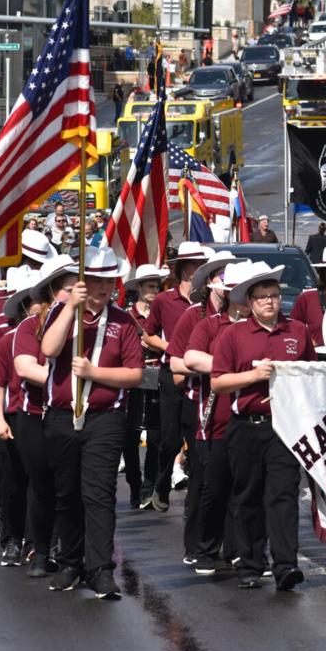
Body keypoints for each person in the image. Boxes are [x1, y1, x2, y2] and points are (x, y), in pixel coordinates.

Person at [39, 246, 144, 598]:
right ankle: (70, 562)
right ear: (83, 281)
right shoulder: (61, 311)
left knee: (99, 493)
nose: (102, 288)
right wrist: (70, 306)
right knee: (67, 493)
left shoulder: (123, 321)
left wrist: (94, 373)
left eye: (107, 281)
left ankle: (100, 568)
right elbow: (49, 350)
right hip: (62, 415)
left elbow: (134, 374)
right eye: (95, 280)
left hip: (105, 417)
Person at [211, 262, 315, 589]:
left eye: (274, 295)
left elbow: (312, 375)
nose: (270, 302)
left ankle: (286, 566)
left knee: (283, 495)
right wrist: (253, 376)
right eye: (262, 297)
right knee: (248, 495)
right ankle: (251, 565)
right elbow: (218, 383)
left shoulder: (298, 331)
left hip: (284, 427)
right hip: (245, 425)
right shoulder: (233, 334)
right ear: (250, 302)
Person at [183, 261, 256, 575]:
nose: (242, 300)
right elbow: (190, 357)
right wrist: (230, 366)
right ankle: (205, 551)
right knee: (213, 491)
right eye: (236, 294)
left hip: (252, 420)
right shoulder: (210, 325)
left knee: (248, 491)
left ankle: (242, 550)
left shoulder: (261, 327)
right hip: (215, 419)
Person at [168, 251, 239, 565]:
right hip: (199, 407)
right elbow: (176, 364)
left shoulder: (243, 316)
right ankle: (195, 544)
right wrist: (224, 368)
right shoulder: (194, 317)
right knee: (203, 478)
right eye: (222, 276)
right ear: (210, 283)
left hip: (236, 407)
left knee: (236, 478)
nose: (227, 283)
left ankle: (233, 545)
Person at [11, 257, 77, 578]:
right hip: (35, 415)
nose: (76, 293)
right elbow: (24, 367)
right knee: (42, 485)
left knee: (69, 486)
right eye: (68, 289)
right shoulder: (29, 326)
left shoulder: (86, 324)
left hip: (69, 415)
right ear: (52, 291)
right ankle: (39, 550)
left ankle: (66, 551)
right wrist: (67, 382)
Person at [143, 242, 214, 512]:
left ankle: (195, 498)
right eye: (192, 264)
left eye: (200, 265)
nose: (195, 269)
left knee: (197, 438)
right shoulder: (163, 300)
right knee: (170, 438)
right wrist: (173, 349)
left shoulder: (208, 301)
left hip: (198, 375)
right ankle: (161, 484)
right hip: (170, 372)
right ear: (182, 268)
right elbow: (148, 335)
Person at [0, 266, 42, 569]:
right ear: (23, 306)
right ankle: (13, 539)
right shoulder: (7, 339)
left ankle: (37, 543)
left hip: (44, 419)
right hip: (14, 417)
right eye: (35, 300)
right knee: (14, 484)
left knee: (41, 484)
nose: (41, 305)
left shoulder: (55, 337)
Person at [121, 264, 168, 508]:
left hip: (157, 374)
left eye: (157, 286)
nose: (154, 290)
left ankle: (149, 487)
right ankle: (134, 484)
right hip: (134, 375)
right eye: (150, 286)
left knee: (156, 436)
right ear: (138, 288)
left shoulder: (162, 313)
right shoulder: (127, 316)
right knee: (130, 435)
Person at [291, 247, 326, 357]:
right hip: (317, 357)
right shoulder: (307, 297)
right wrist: (307, 341)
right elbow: (292, 328)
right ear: (323, 272)